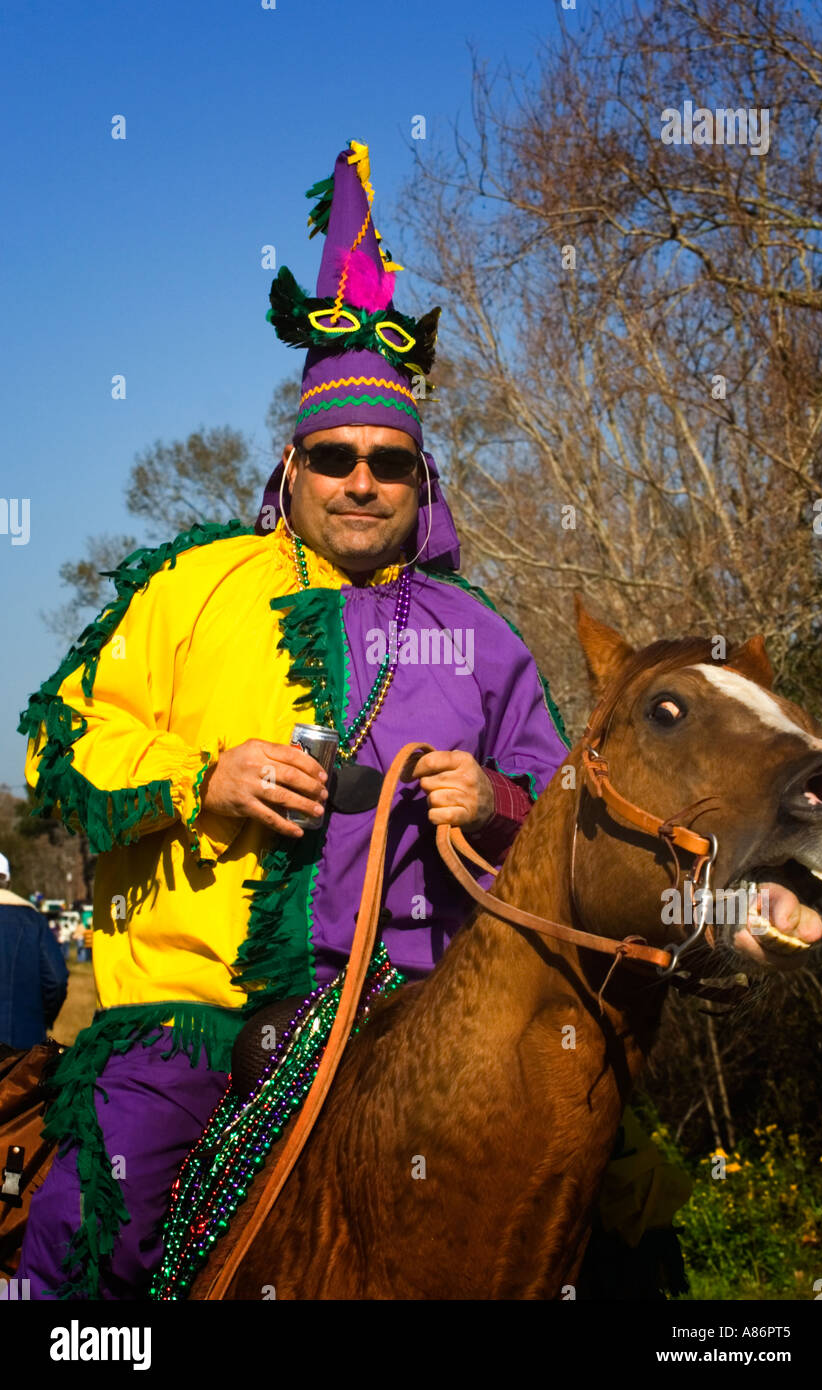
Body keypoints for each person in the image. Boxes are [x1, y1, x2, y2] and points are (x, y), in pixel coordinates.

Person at [12, 141, 570, 1300]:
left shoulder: (481, 635)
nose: (360, 481)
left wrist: (502, 801)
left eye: (388, 462)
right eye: (334, 457)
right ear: (292, 463)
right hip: (197, 1014)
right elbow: (62, 746)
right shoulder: (186, 585)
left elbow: (566, 800)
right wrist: (200, 779)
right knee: (88, 1240)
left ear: (422, 484)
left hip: (415, 1019)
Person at [0, 852, 68, 1049]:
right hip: (23, 1039)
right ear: (8, 882)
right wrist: (41, 1018)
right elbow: (56, 980)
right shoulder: (33, 919)